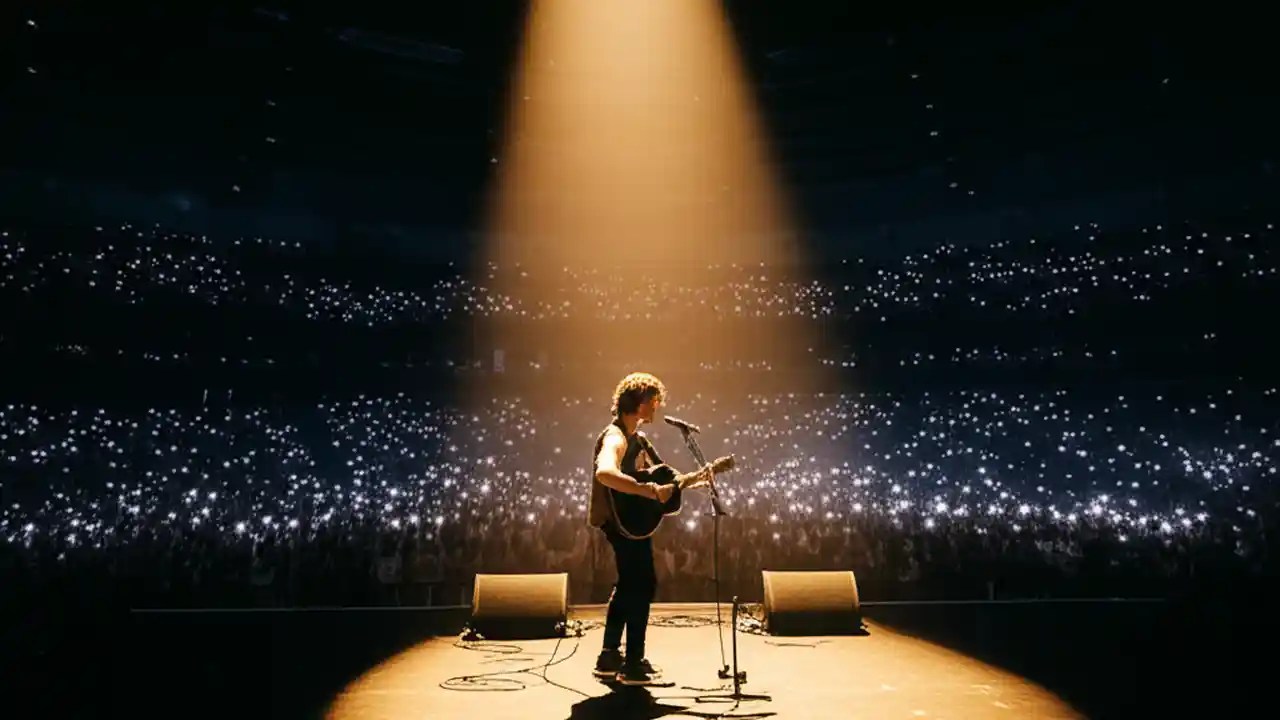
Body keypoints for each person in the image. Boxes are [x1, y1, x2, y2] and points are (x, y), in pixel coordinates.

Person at [588, 372, 713, 685]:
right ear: (641, 402)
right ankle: (633, 664)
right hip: (621, 523)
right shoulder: (615, 437)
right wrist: (647, 492)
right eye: (654, 401)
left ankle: (609, 656)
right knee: (642, 583)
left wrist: (697, 479)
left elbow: (664, 478)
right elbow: (605, 472)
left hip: (627, 523)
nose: (658, 407)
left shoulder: (639, 439)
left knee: (630, 582)